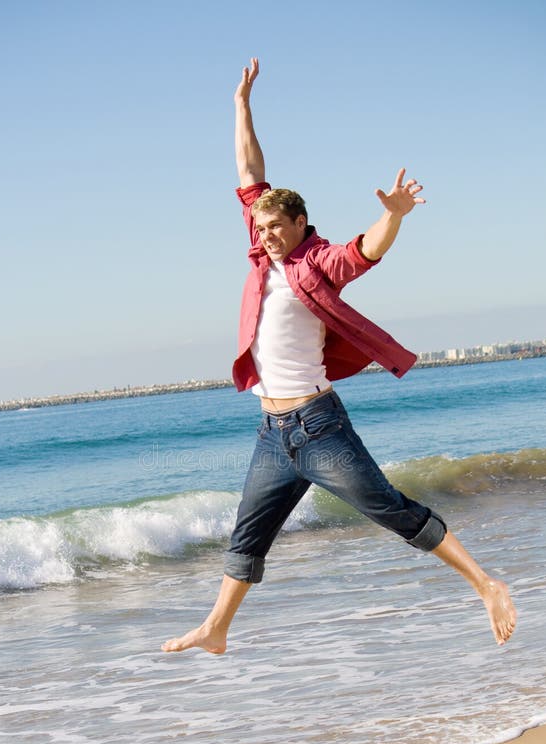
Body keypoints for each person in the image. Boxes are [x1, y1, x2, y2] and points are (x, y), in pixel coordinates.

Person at [162, 58, 516, 654]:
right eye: (260, 228)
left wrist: (392, 216)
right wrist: (241, 105)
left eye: (276, 227)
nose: (266, 235)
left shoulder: (317, 261)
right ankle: (216, 627)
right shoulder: (263, 252)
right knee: (247, 535)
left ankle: (486, 585)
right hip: (273, 432)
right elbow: (250, 171)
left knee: (389, 509)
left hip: (318, 426)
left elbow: (364, 252)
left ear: (300, 222)